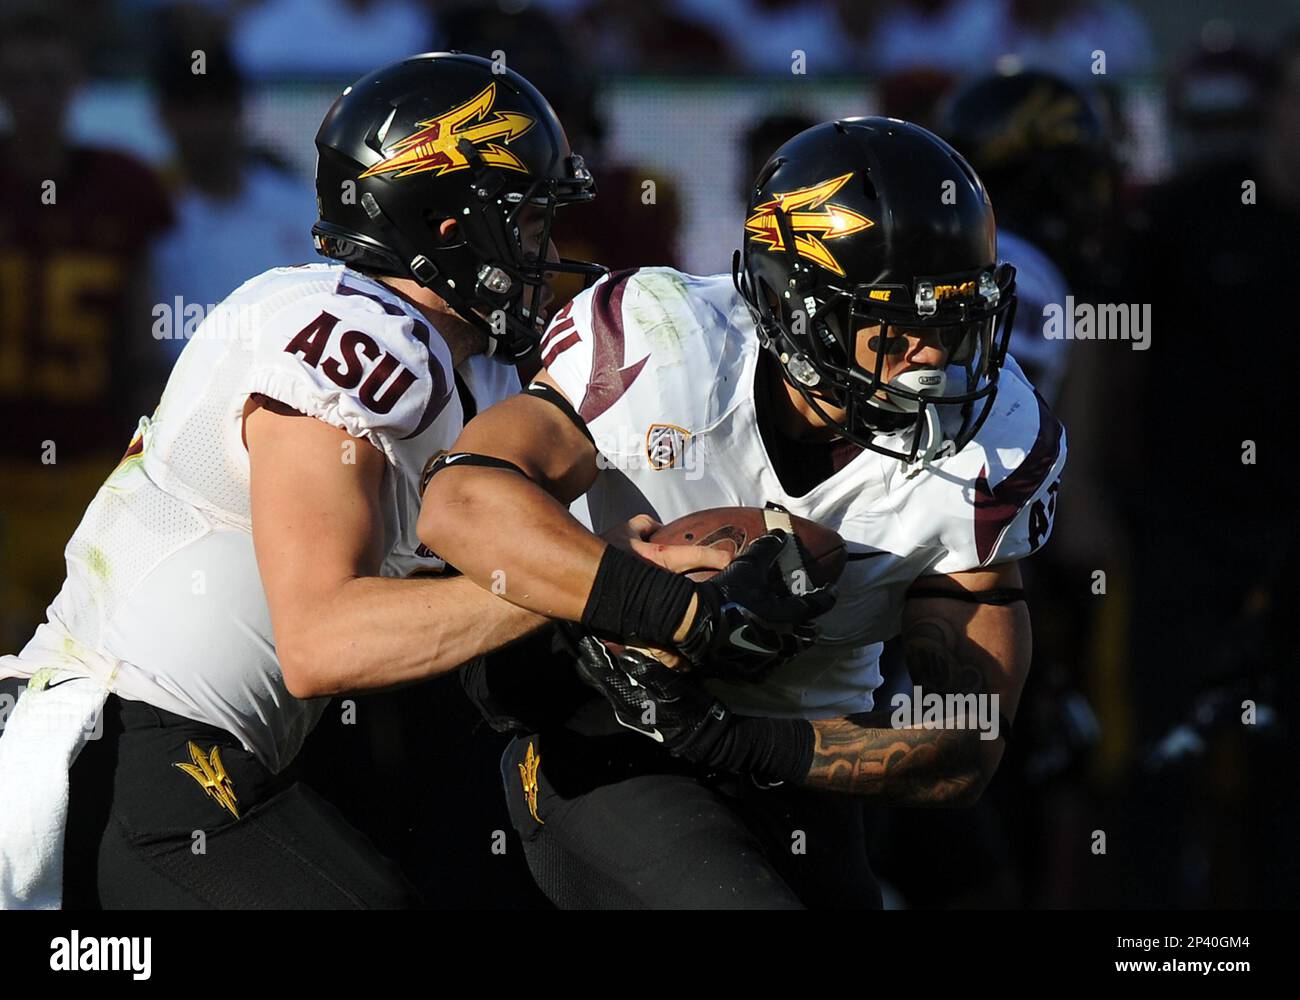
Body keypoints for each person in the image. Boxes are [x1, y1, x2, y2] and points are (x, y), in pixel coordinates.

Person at [0, 52, 664, 910]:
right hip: (130, 752)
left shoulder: (476, 381)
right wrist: (589, 583)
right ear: (449, 226)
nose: (549, 250)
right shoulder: (347, 328)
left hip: (209, 761)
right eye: (529, 222)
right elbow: (324, 639)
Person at [419, 118, 1067, 908]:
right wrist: (676, 613)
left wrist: (731, 737)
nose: (932, 355)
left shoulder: (993, 440)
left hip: (798, 764)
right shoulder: (667, 341)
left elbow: (965, 750)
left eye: (953, 319)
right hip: (604, 743)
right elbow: (459, 500)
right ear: (797, 308)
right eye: (897, 321)